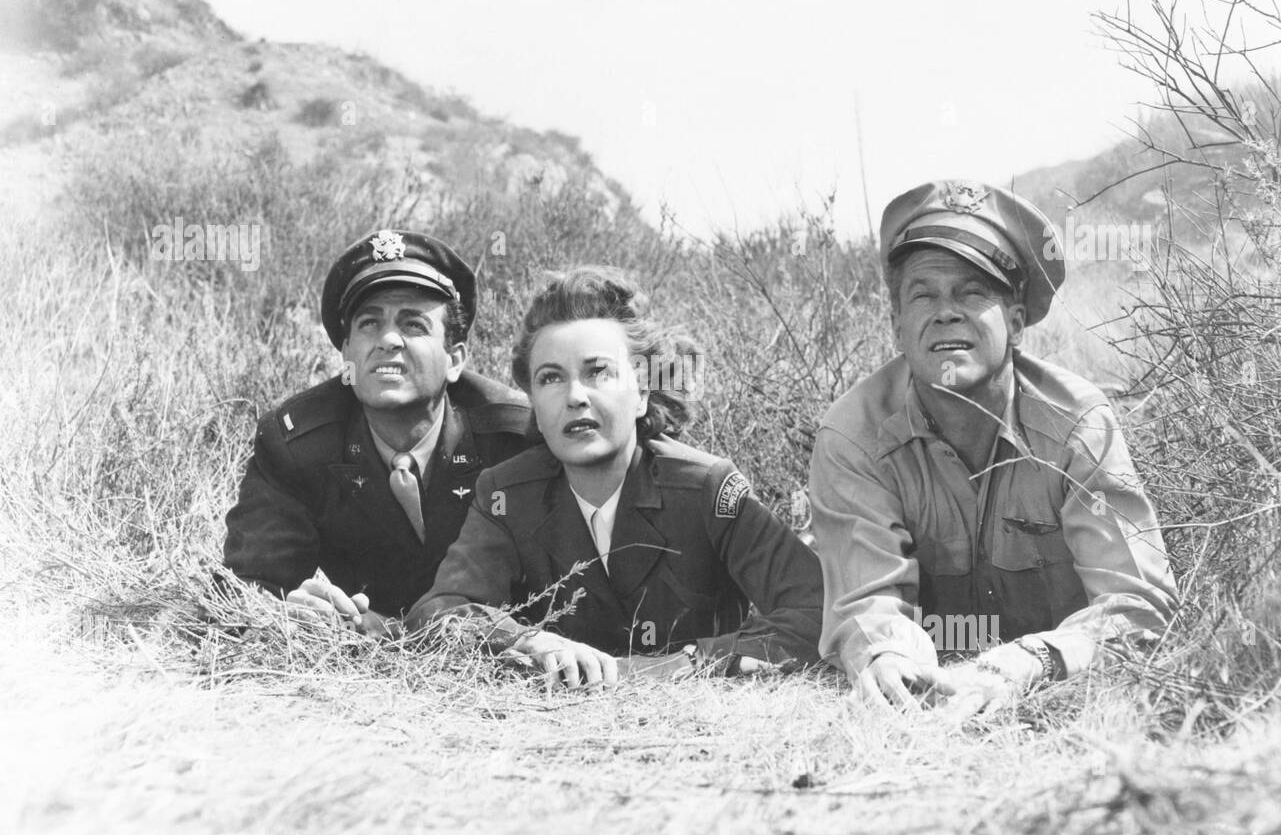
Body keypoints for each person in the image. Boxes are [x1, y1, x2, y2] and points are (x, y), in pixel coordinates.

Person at [810, 180, 1177, 717]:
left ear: (1016, 322)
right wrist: (889, 660)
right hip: (936, 690)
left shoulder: (1076, 423)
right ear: (896, 326)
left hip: (1055, 690)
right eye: (922, 295)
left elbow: (1134, 603)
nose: (945, 312)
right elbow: (868, 600)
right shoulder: (854, 436)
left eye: (972, 292)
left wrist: (1028, 663)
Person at [405, 266, 823, 687]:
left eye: (597, 372)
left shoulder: (707, 489)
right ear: (532, 401)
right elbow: (441, 610)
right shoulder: (507, 494)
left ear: (641, 392)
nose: (574, 396)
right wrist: (531, 642)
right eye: (550, 378)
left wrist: (692, 662)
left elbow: (816, 610)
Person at [223, 229, 534, 635]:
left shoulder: (514, 437)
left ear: (455, 359)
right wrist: (292, 612)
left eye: (414, 324)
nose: (388, 340)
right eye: (370, 323)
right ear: (347, 354)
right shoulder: (295, 445)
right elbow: (247, 589)